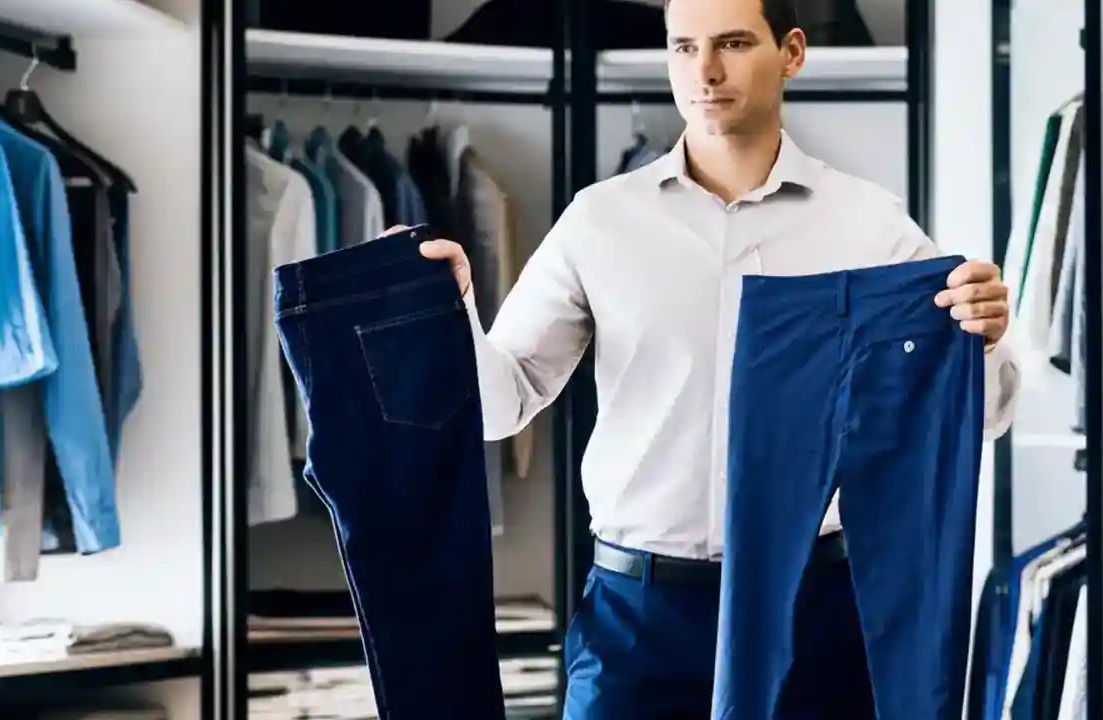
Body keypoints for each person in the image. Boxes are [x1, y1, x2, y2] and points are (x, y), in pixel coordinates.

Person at [387, 0, 1020, 715]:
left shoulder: (870, 224)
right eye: (683, 47)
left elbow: (981, 417)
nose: (705, 70)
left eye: (732, 43)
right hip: (638, 620)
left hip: (809, 613)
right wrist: (452, 314)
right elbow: (502, 407)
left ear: (792, 52)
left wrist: (986, 339)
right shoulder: (600, 221)